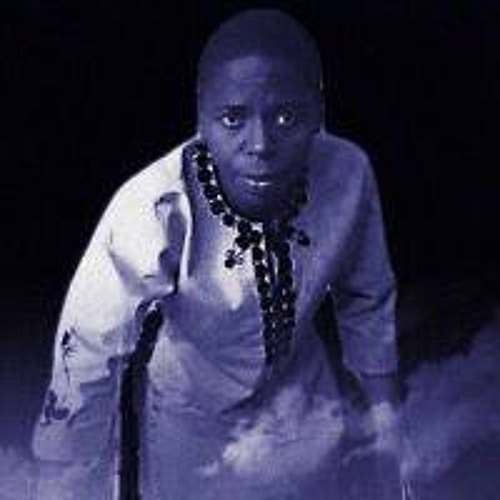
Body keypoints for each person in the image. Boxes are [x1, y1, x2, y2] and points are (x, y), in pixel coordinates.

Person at [32, 9, 405, 499]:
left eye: (286, 117)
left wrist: (387, 436)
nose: (261, 144)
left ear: (318, 111)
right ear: (201, 118)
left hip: (307, 410)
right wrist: (63, 480)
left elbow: (368, 300)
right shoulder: (154, 205)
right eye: (232, 118)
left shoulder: (349, 173)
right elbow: (88, 343)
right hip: (190, 427)